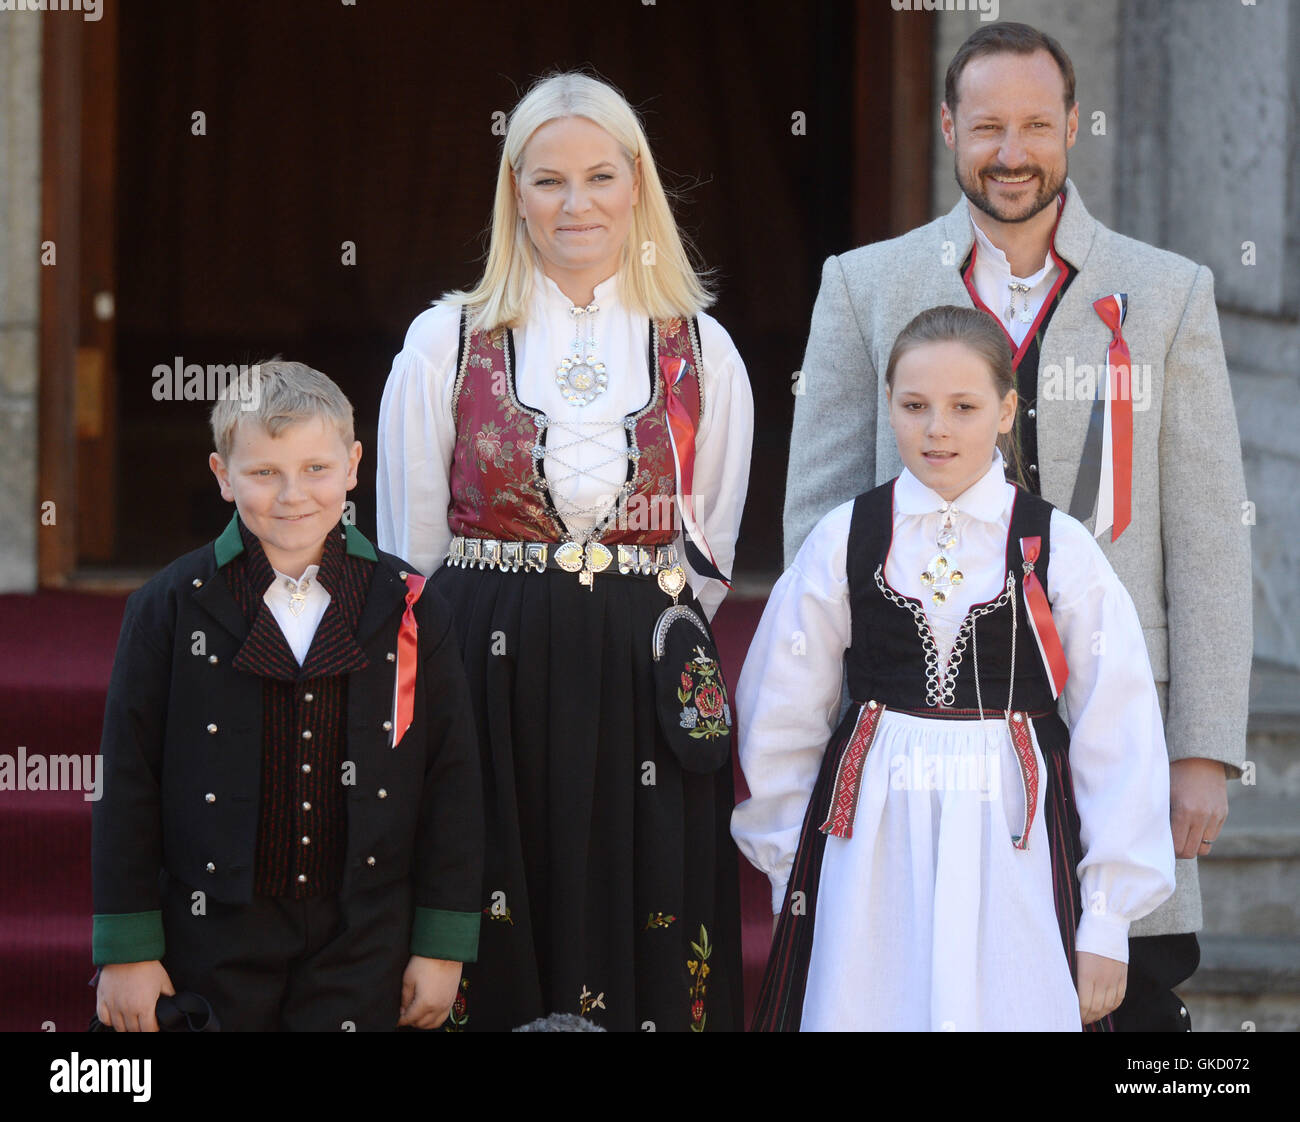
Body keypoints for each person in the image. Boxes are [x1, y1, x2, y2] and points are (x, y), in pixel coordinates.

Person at [782, 22, 1251, 1030]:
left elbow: (1210, 537)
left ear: (1072, 128)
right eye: (986, 125)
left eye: (1036, 124)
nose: (1010, 150)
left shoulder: (1165, 294)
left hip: (1117, 725)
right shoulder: (865, 286)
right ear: (948, 127)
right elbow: (819, 523)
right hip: (924, 748)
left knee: (1128, 994)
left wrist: (1202, 745)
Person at [376, 71, 753, 1031]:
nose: (576, 203)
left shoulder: (705, 350)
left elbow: (707, 551)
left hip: (645, 676)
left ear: (637, 184)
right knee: (497, 889)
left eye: (599, 177)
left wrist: (621, 635)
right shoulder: (444, 341)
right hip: (485, 667)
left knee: (645, 909)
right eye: (548, 181)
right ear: (515, 194)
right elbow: (407, 557)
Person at [734, 306, 1175, 1031]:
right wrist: (793, 869)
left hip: (1015, 836)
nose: (937, 428)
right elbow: (783, 707)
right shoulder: (846, 537)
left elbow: (1116, 727)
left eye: (963, 407)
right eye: (915, 406)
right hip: (870, 839)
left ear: (1005, 411)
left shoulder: (1056, 544)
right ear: (890, 408)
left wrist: (1105, 917)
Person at [92, 361, 483, 1032]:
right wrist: (129, 950)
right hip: (212, 937)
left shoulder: (410, 604)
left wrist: (441, 944)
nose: (292, 495)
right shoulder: (168, 608)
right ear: (222, 473)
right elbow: (128, 782)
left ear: (355, 465)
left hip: (363, 940)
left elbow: (452, 783)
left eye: (315, 469)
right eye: (263, 472)